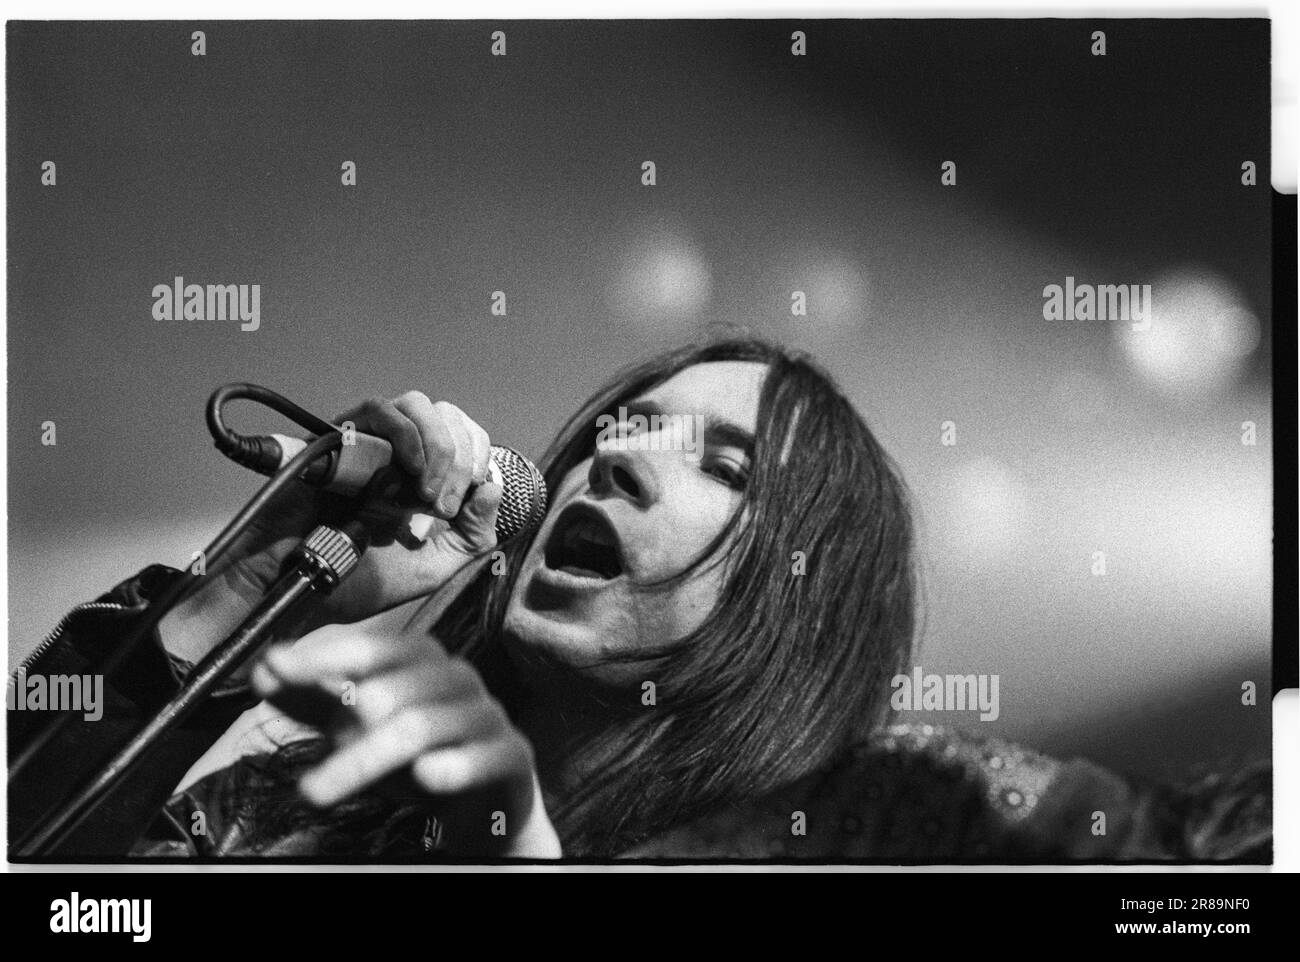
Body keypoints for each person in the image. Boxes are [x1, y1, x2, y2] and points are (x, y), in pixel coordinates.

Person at [9, 336, 1271, 861]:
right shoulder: (289, 812)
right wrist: (234, 591)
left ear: (799, 596)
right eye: (621, 431)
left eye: (719, 466)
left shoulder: (897, 812)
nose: (611, 458)